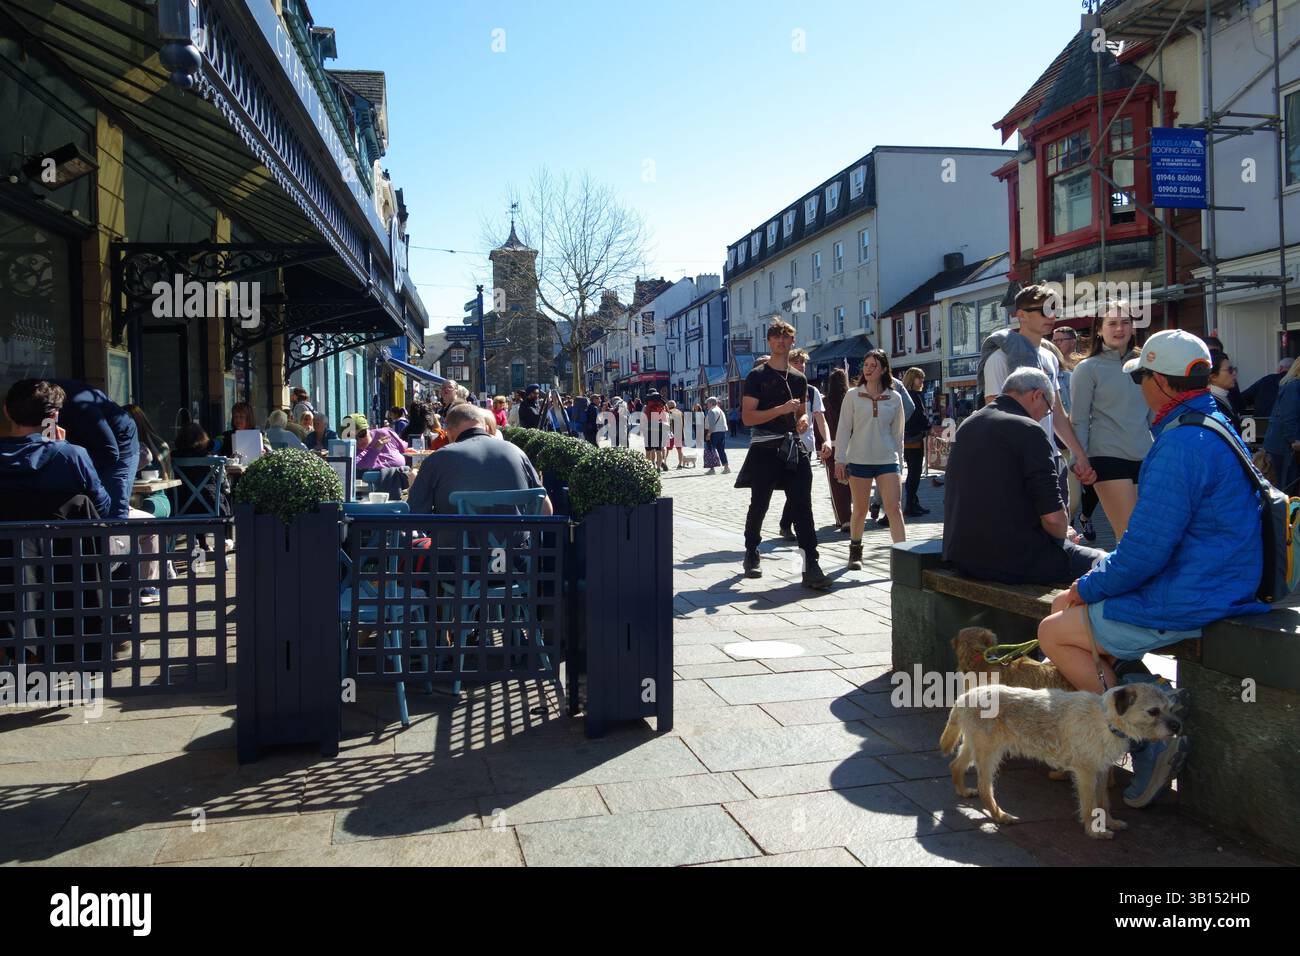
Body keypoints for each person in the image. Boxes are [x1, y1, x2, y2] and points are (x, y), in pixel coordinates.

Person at [1038, 329, 1269, 809]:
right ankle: (1150, 697)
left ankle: (1149, 735)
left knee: (1053, 631)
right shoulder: (1214, 420)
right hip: (1228, 577)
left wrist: (1089, 584)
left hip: (1196, 590)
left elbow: (1145, 551)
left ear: (1161, 383)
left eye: (1142, 375)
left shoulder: (1179, 443)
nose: (1138, 385)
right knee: (1067, 609)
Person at [944, 367, 1106, 585]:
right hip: (1012, 559)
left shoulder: (969, 424)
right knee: (1105, 563)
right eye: (1048, 410)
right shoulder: (1027, 428)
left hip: (962, 555)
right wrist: (1062, 533)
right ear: (1036, 395)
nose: (1043, 417)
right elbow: (1053, 518)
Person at [978, 285, 1097, 508]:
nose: (1051, 316)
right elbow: (994, 416)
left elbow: (1058, 413)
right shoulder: (999, 359)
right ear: (1021, 315)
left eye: (1055, 309)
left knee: (1061, 524)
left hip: (1051, 458)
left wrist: (1079, 455)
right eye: (1044, 309)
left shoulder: (1050, 357)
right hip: (1017, 462)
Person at [735, 318, 830, 590]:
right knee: (760, 504)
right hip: (765, 448)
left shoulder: (799, 379)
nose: (780, 341)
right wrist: (779, 410)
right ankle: (752, 550)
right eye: (775, 337)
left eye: (785, 337)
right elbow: (748, 418)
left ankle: (811, 563)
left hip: (792, 448)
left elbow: (800, 415)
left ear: (791, 342)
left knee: (803, 506)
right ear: (769, 342)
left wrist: (802, 423)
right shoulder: (757, 376)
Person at [1067, 304, 1152, 542]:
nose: (1120, 328)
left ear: (1133, 327)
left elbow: (1154, 416)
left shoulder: (1146, 365)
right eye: (1112, 323)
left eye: (1125, 322)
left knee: (1147, 534)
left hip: (1145, 455)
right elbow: (1080, 420)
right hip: (1107, 456)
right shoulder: (1087, 368)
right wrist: (1078, 460)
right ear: (1099, 330)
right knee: (1128, 535)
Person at [408, 405, 553, 515]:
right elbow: (546, 509)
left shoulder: (438, 459)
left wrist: (414, 484)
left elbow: (415, 515)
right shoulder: (516, 452)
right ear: (485, 426)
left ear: (449, 432)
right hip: (515, 552)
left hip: (455, 551)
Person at [0, 379, 112, 519]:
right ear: (54, 416)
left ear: (6, 412)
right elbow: (102, 507)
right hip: (62, 540)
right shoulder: (72, 455)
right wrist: (60, 447)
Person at [835, 349, 907, 567]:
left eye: (873, 365)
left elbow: (898, 435)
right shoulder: (852, 396)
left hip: (887, 460)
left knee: (894, 508)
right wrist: (840, 459)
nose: (868, 369)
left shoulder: (894, 398)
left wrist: (900, 464)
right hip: (859, 460)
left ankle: (904, 557)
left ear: (883, 369)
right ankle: (855, 550)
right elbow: (844, 428)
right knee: (860, 509)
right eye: (865, 365)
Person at [51, 378, 138, 520]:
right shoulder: (41, 403)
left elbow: (110, 453)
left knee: (113, 508)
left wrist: (78, 465)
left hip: (120, 440)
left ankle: (115, 535)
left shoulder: (80, 405)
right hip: (83, 437)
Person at [780, 349, 829, 539]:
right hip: (785, 445)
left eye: (803, 363)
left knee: (799, 489)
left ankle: (786, 525)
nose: (801, 366)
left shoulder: (811, 390)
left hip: (806, 446)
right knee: (795, 489)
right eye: (797, 362)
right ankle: (789, 526)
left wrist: (827, 440)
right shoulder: (781, 388)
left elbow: (820, 418)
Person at [173, 422, 234, 552]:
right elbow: (224, 485)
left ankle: (203, 545)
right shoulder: (210, 458)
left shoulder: (173, 458)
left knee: (196, 499)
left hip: (183, 506)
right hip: (212, 506)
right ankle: (223, 540)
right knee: (214, 496)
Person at [819, 368, 852, 531]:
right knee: (851, 481)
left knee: (836, 483)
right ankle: (850, 516)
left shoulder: (825, 402)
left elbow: (820, 425)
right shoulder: (850, 399)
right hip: (851, 445)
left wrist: (821, 446)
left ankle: (843, 518)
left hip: (831, 446)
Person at [1263, 358, 1300, 493]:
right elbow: (1289, 417)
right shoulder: (1294, 385)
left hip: (1284, 445)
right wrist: (1295, 441)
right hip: (1285, 448)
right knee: (1287, 487)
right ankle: (1287, 514)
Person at [900, 367, 931, 518]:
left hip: (908, 438)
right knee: (914, 472)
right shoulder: (913, 396)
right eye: (920, 378)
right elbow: (918, 417)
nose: (922, 381)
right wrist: (928, 425)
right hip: (914, 438)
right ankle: (910, 505)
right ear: (913, 379)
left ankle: (913, 502)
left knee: (913, 472)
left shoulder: (908, 395)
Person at [1208, 352, 1243, 435]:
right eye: (1230, 370)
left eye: (1234, 369)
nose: (1234, 373)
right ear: (1213, 377)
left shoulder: (1230, 396)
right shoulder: (1209, 402)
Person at [703, 396, 730, 475]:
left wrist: (708, 434)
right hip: (722, 432)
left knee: (711, 450)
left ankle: (712, 469)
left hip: (714, 433)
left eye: (707, 403)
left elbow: (712, 425)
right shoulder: (720, 410)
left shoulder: (711, 411)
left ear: (711, 403)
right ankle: (726, 467)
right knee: (721, 450)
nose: (706, 405)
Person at [643, 390, 668, 471]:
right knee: (659, 450)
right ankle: (658, 468)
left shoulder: (647, 406)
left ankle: (649, 467)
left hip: (649, 429)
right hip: (659, 428)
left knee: (648, 450)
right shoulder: (662, 405)